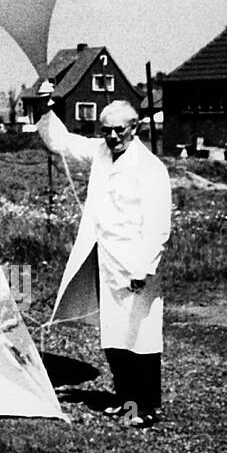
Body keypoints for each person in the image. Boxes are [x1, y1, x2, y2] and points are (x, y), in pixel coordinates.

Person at [37, 99, 171, 428]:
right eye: (106, 131)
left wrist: (143, 269)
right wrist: (44, 106)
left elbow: (158, 225)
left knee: (139, 335)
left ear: (134, 128)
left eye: (118, 130)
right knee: (113, 333)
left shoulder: (150, 168)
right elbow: (62, 142)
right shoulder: (101, 152)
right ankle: (124, 399)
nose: (112, 137)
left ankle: (146, 407)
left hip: (136, 263)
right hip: (106, 258)